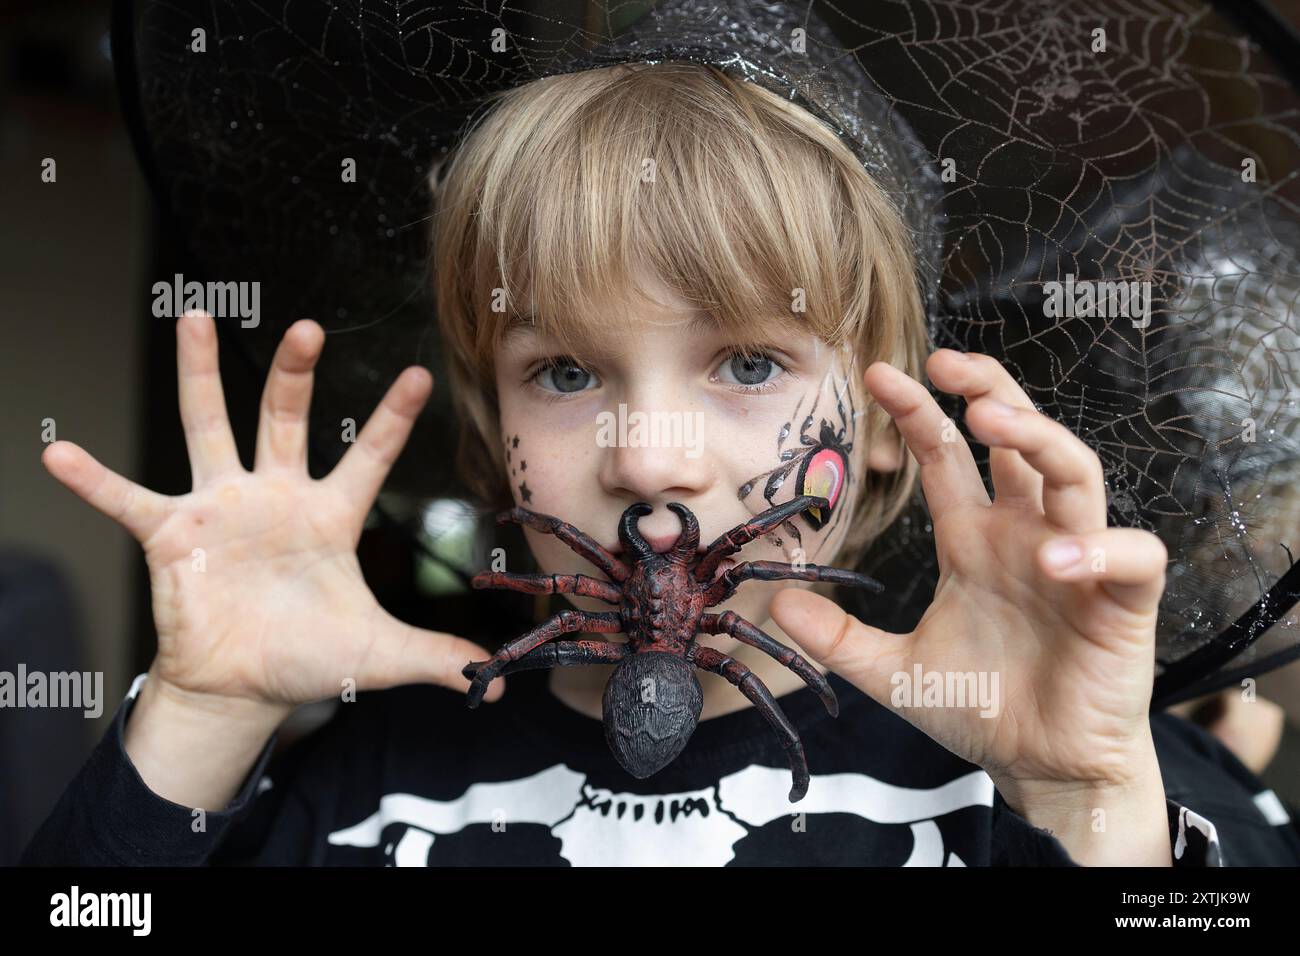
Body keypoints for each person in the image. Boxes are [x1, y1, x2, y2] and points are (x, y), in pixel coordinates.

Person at [22, 61, 1300, 867]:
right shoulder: (356, 788)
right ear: (490, 451)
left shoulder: (1042, 782)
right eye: (566, 373)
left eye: (747, 363)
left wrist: (1091, 811)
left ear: (883, 450)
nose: (649, 458)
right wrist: (199, 719)